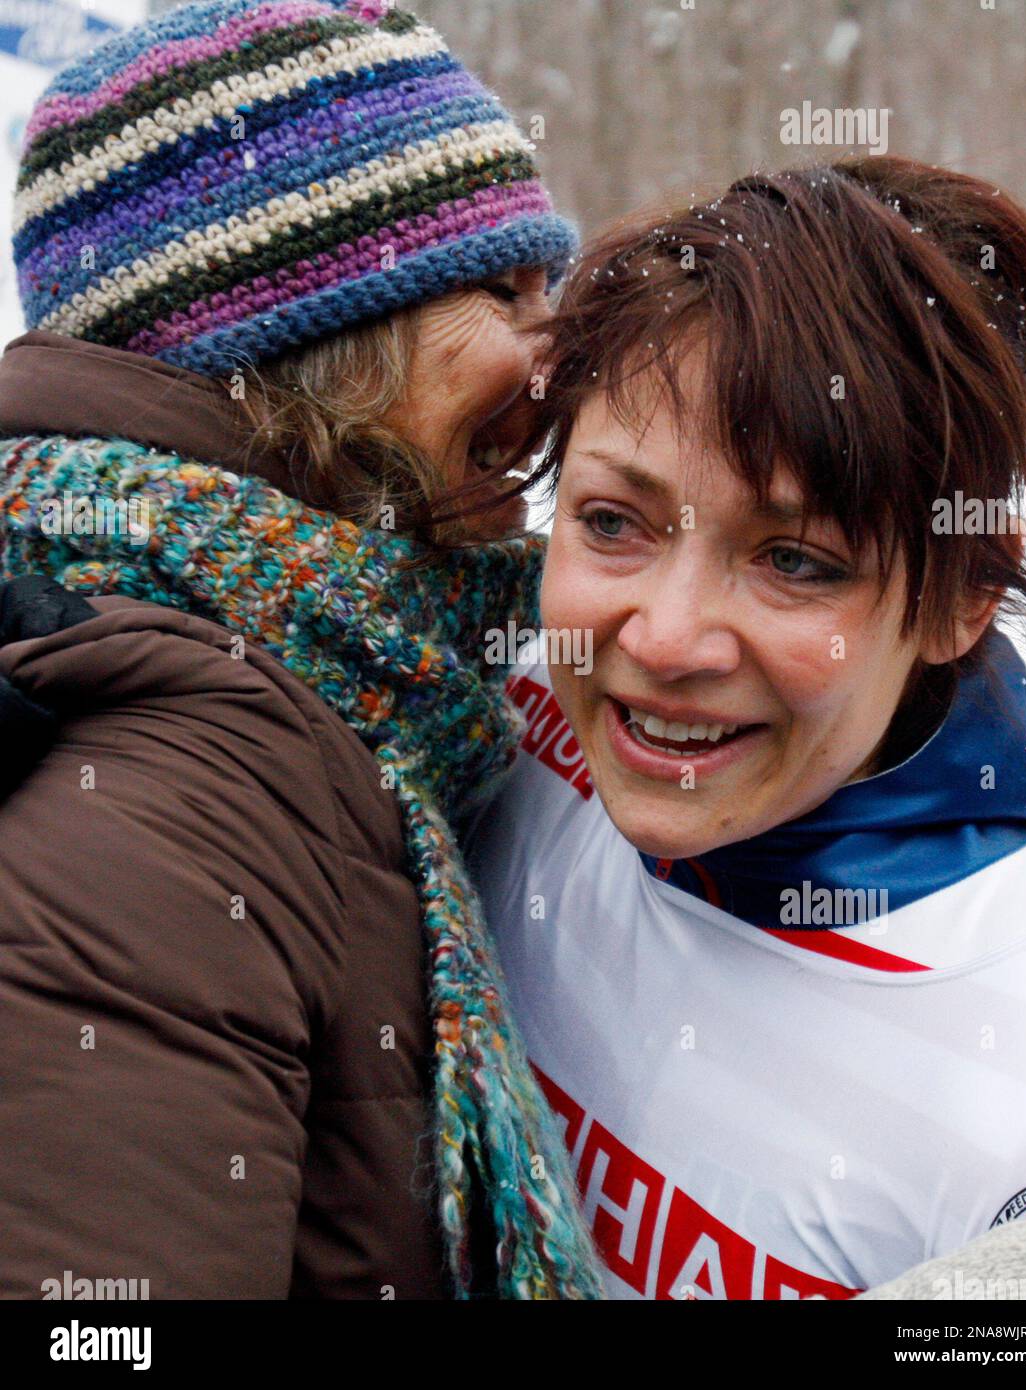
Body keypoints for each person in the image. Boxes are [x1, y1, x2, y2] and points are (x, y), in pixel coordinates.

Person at [0, 0, 603, 1299]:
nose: (553, 361)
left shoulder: (332, 668)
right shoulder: (176, 792)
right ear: (319, 351)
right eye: (503, 292)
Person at [466, 155, 1026, 1299]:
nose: (664, 638)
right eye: (612, 521)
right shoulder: (500, 731)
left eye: (793, 560)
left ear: (959, 596)